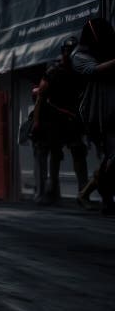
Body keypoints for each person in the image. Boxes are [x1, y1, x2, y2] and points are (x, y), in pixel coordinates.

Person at [35, 37, 92, 207]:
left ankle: (83, 192)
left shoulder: (80, 71)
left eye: (73, 50)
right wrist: (37, 121)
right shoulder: (54, 71)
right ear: (63, 52)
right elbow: (40, 97)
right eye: (67, 51)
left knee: (78, 152)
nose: (70, 54)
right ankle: (52, 191)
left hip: (73, 117)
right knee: (55, 154)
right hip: (54, 118)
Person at [72, 18, 115, 215]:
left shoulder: (107, 51)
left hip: (110, 109)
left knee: (110, 157)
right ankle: (90, 194)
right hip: (99, 113)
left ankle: (103, 199)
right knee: (111, 157)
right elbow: (92, 70)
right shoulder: (79, 55)